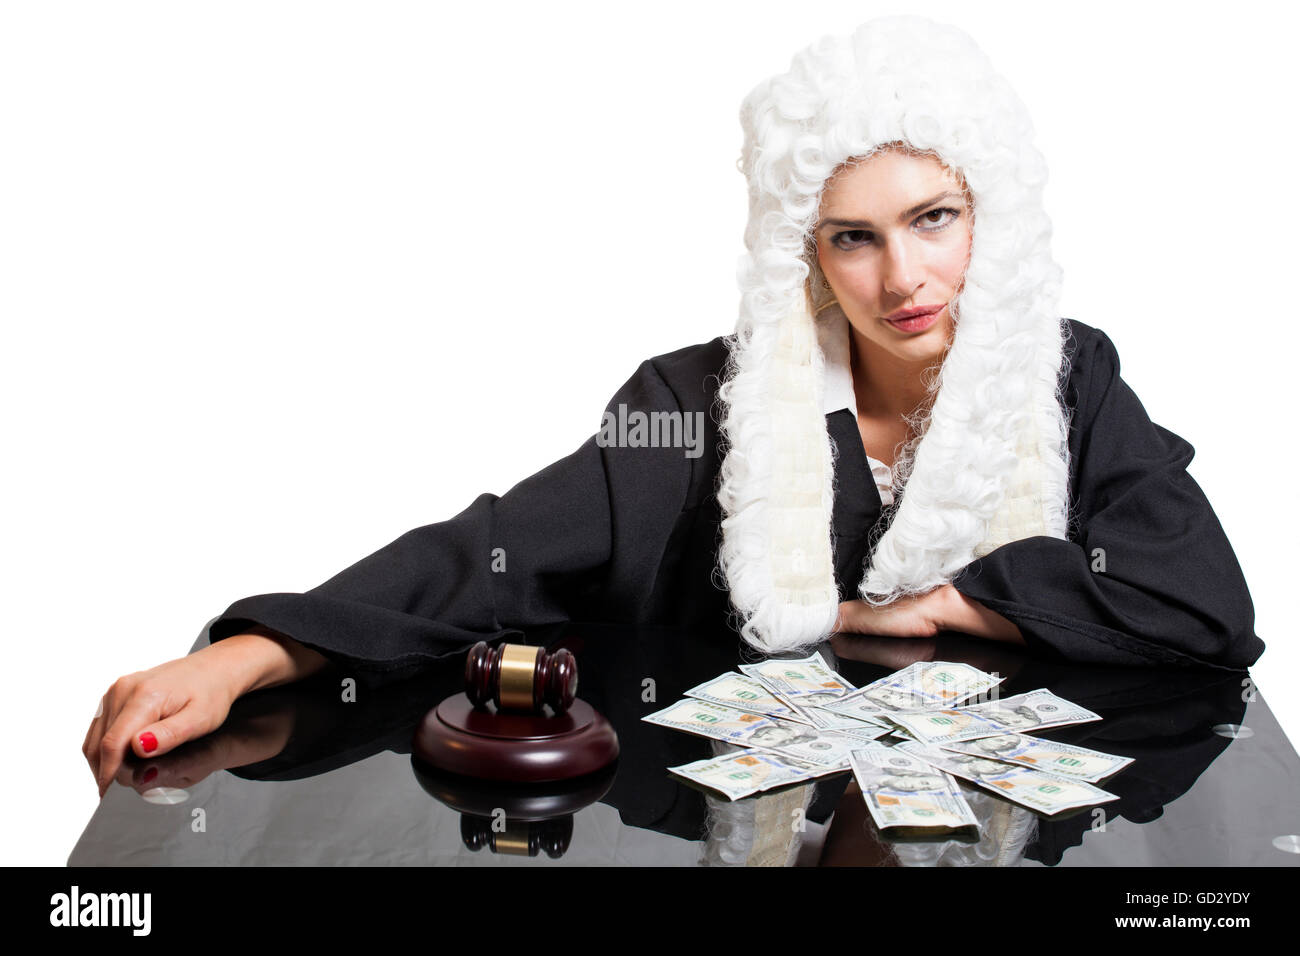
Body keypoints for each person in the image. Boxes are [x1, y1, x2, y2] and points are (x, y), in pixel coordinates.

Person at [83, 15, 1263, 797]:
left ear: (988, 216)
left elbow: (1201, 605)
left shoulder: (1073, 374)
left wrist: (963, 601)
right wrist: (249, 653)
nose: (901, 279)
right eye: (852, 237)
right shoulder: (694, 404)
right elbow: (493, 551)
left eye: (933, 219)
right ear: (803, 255)